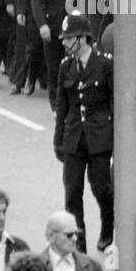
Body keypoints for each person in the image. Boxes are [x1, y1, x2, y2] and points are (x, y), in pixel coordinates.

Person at [52, 13, 115, 252]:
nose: (65, 43)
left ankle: (107, 226)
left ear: (83, 39)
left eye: (69, 39)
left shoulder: (105, 64)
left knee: (101, 188)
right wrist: (58, 140)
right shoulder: (66, 66)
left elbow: (113, 102)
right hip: (74, 139)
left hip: (99, 138)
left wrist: (115, 140)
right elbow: (62, 105)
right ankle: (79, 247)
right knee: (72, 194)